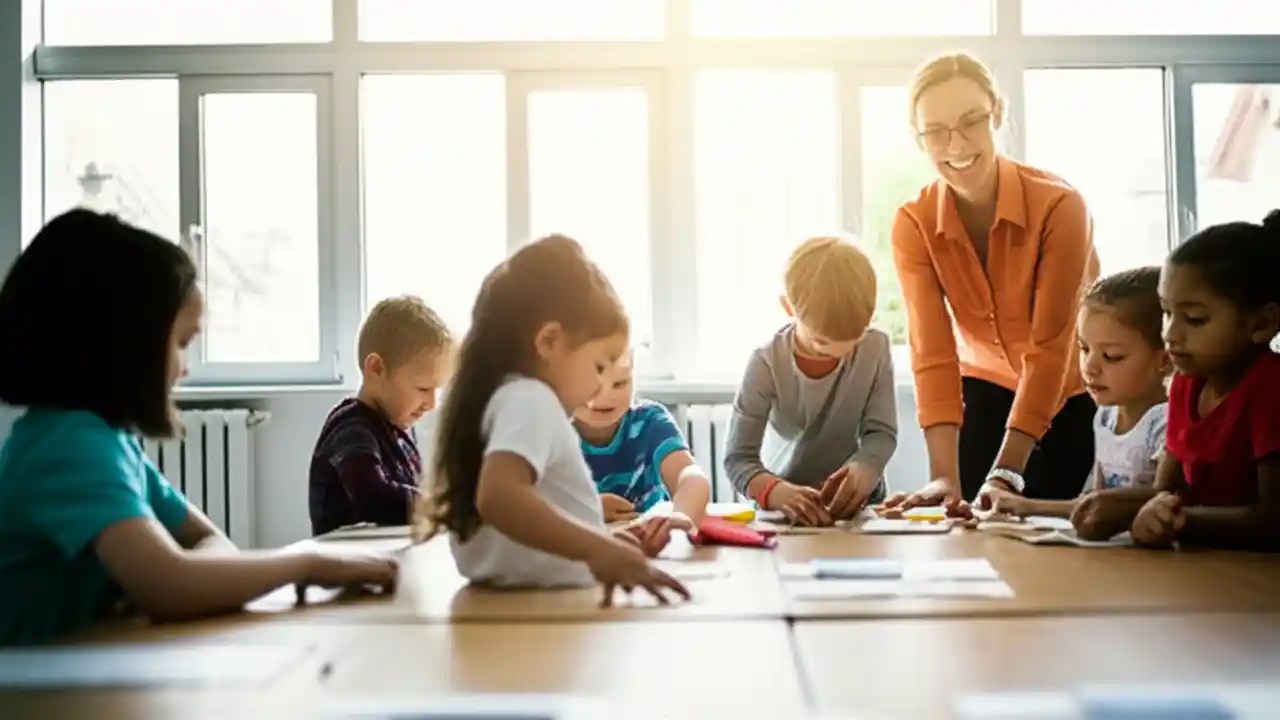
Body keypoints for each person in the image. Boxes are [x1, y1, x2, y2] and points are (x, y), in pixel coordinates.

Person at [0, 210, 396, 646]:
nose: (184, 367)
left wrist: (169, 578)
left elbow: (211, 542)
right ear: (122, 341)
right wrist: (305, 563)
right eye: (181, 343)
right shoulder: (69, 447)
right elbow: (168, 584)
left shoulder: (106, 442)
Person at [414, 235, 690, 604]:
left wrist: (602, 540)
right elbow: (500, 497)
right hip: (545, 605)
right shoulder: (531, 399)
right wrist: (598, 548)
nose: (600, 385)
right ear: (549, 341)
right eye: (599, 365)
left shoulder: (504, 398)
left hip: (505, 596)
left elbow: (527, 531)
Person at [885, 52, 1100, 512]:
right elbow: (932, 352)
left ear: (997, 113)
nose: (956, 144)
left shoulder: (1060, 207)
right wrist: (943, 475)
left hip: (1067, 394)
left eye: (971, 121)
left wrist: (1005, 473)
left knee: (1048, 532)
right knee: (971, 525)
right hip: (983, 392)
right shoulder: (914, 223)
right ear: (918, 137)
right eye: (936, 131)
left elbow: (1051, 347)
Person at [1077, 211, 1280, 550]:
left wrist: (1173, 521)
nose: (1170, 334)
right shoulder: (1186, 384)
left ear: (1263, 323)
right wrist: (1115, 507)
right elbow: (1168, 491)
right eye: (1167, 313)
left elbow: (1271, 520)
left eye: (1195, 319)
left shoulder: (1270, 389)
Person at [725, 236, 897, 527]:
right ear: (789, 307)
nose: (839, 352)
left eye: (854, 339)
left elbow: (881, 433)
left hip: (858, 510)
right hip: (784, 512)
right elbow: (738, 459)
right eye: (822, 342)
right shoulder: (766, 363)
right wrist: (775, 492)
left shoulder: (876, 348)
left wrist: (865, 469)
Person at [983, 268, 1168, 519]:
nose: (1090, 367)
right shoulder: (1106, 417)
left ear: (1164, 361)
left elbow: (1155, 502)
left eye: (1111, 356)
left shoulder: (1166, 424)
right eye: (1084, 349)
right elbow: (1091, 501)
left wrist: (1026, 506)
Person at [309, 296, 453, 536]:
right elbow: (375, 498)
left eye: (436, 390)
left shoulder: (397, 428)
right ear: (376, 369)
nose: (431, 404)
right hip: (343, 557)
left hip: (379, 550)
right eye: (423, 389)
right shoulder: (352, 430)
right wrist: (441, 505)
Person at [574, 351, 712, 556]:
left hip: (650, 554)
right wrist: (586, 508)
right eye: (590, 385)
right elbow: (529, 505)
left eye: (620, 383)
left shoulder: (650, 420)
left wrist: (681, 518)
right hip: (580, 556)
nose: (605, 396)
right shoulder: (548, 429)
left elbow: (690, 476)